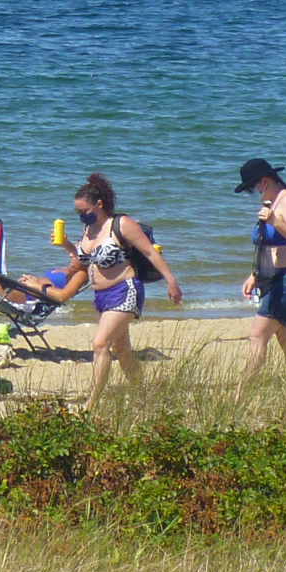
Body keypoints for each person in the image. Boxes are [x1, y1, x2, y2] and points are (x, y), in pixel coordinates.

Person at [67, 173, 183, 410]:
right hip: (101, 297)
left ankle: (93, 403)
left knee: (100, 344)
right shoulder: (89, 229)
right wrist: (67, 246)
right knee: (122, 349)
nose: (81, 216)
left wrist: (171, 281)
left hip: (125, 290)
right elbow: (85, 262)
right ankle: (142, 394)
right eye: (77, 212)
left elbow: (150, 252)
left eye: (84, 210)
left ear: (99, 204)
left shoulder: (121, 224)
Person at [235, 157, 286, 372]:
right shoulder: (272, 203)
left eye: (253, 187)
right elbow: (266, 245)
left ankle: (243, 396)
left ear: (265, 181)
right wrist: (255, 275)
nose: (255, 192)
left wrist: (275, 221)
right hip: (275, 278)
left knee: (257, 335)